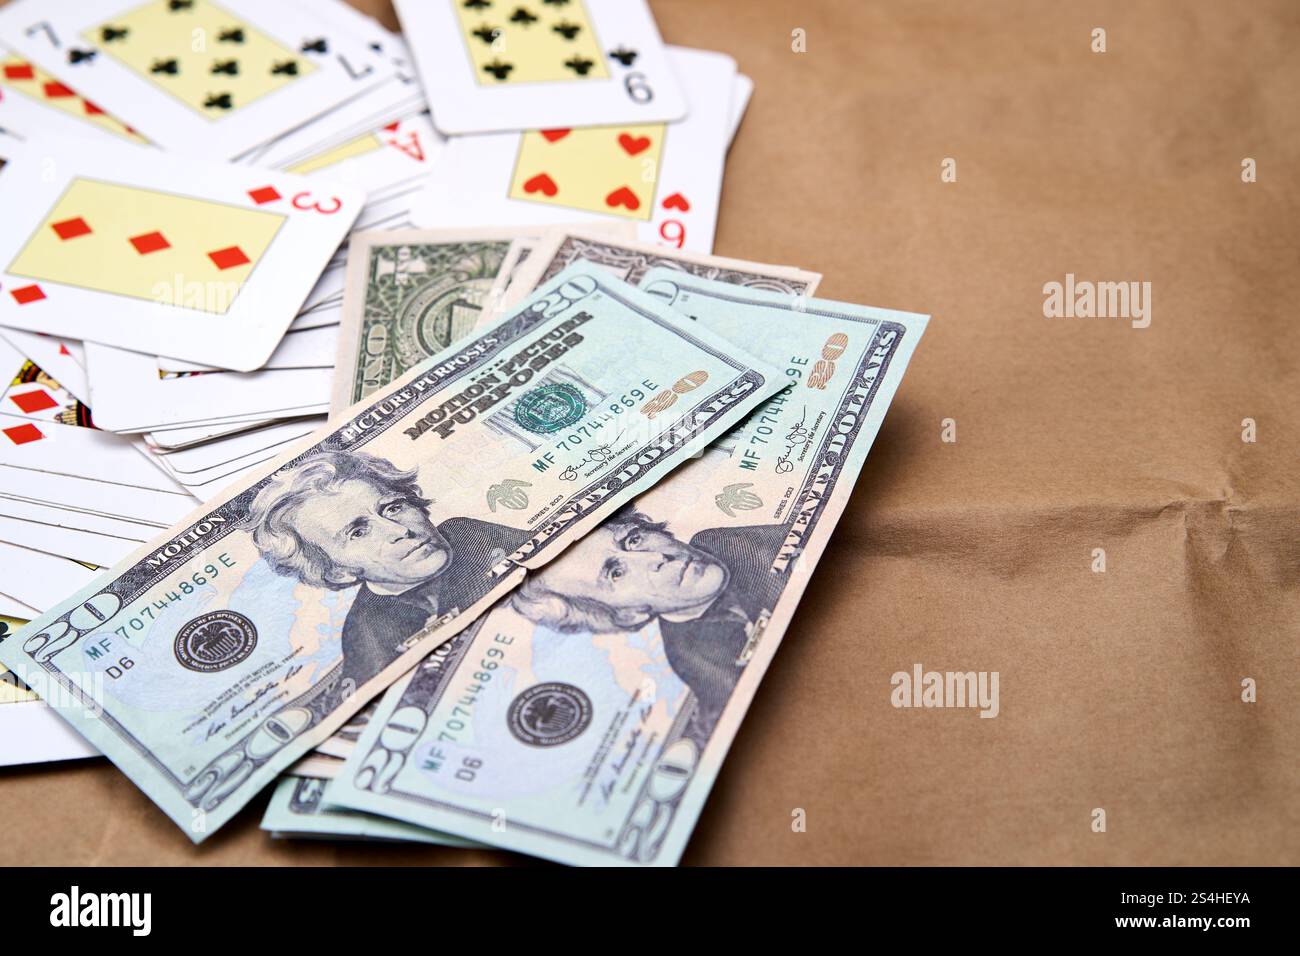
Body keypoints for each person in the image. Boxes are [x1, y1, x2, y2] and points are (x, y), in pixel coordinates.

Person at [248, 450, 530, 696]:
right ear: (337, 572)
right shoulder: (368, 636)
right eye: (358, 532)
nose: (400, 530)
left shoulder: (470, 535)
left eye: (394, 507)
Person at [510, 507, 789, 732]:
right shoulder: (691, 657)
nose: (656, 557)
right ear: (628, 615)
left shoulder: (723, 544)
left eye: (633, 540)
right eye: (616, 573)